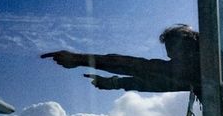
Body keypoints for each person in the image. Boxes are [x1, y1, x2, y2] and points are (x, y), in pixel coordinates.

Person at [41, 24, 201, 96]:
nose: (169, 58)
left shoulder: (206, 66)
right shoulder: (200, 74)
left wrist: (78, 59)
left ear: (190, 46)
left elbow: (139, 67)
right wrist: (114, 83)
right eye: (169, 55)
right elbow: (157, 81)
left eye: (174, 53)